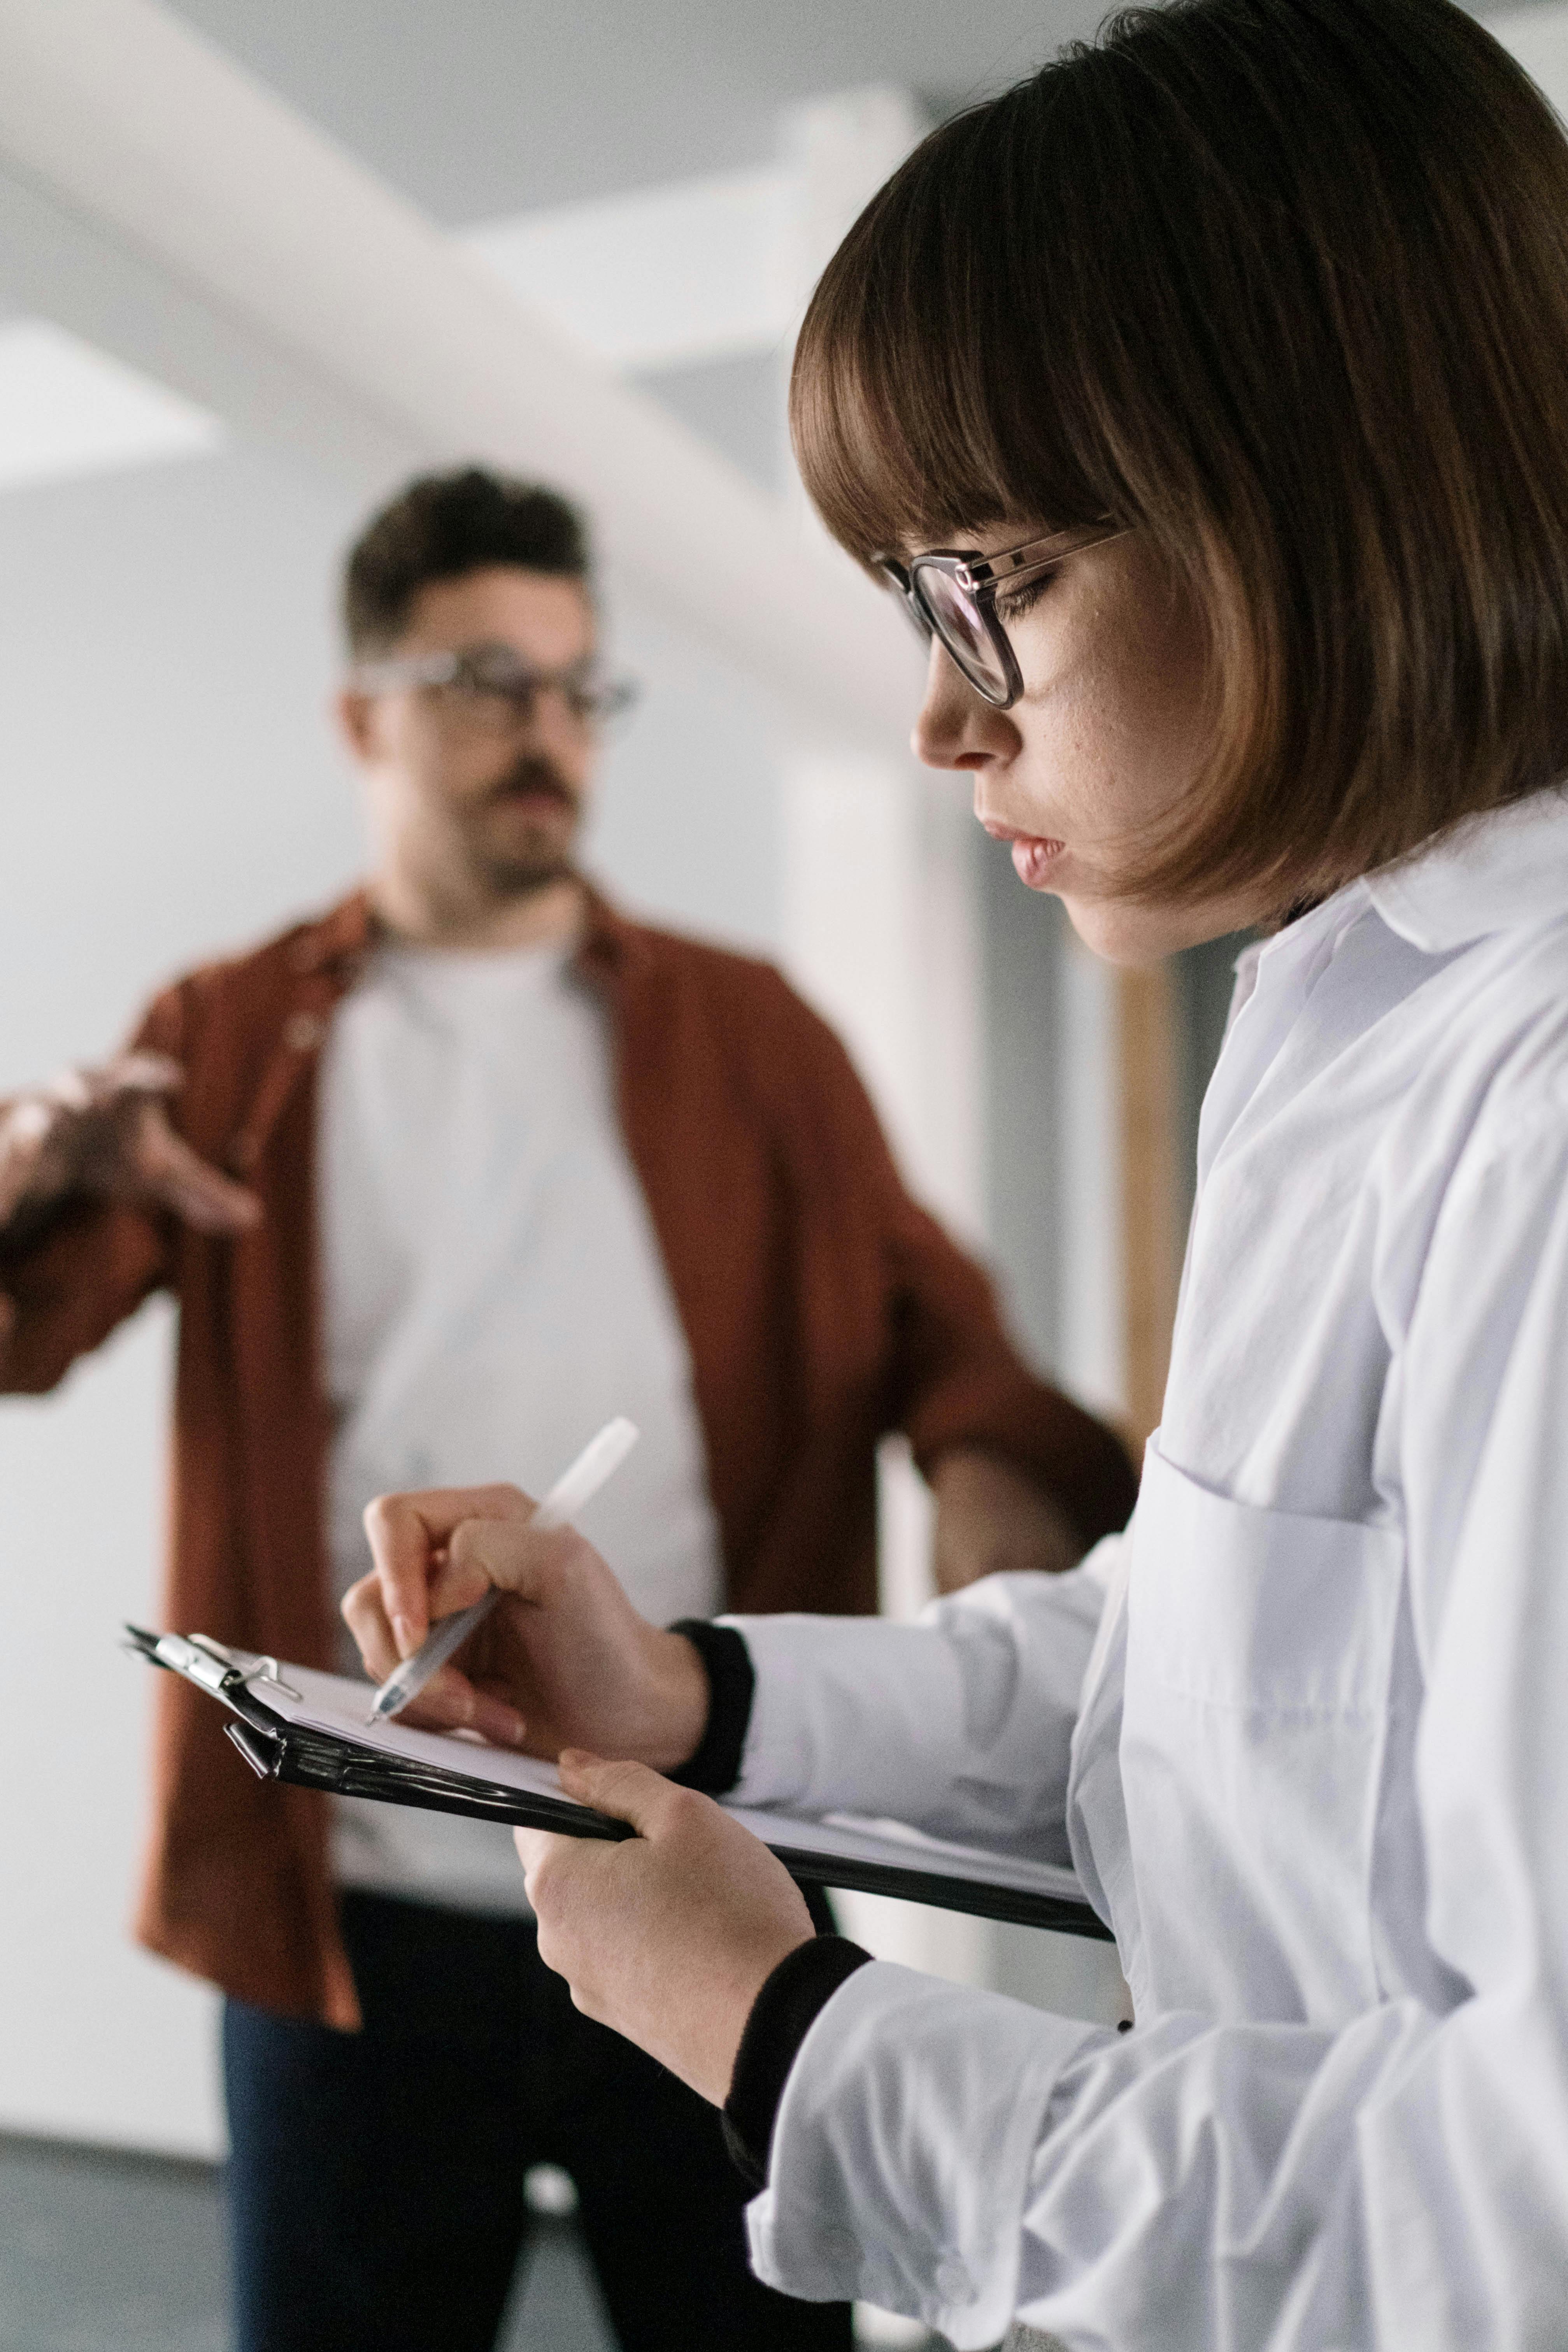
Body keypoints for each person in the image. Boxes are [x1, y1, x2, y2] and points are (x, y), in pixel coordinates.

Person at [342, 0, 1568, 2343]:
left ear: (1315, 497)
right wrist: (700, 1693)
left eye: (985, 577)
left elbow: (1528, 2220)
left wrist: (797, 2043)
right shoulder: (1338, 1014)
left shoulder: (1535, 1110)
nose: (936, 710)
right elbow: (1226, 1672)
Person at [0, 466, 1136, 2352]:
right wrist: (38, 1159)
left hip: (693, 1854)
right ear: (365, 716)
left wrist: (988, 1504)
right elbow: (22, 1336)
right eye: (482, 679)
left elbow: (959, 1351)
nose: (545, 731)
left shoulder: (750, 1032)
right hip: (351, 1904)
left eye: (574, 688)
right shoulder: (224, 1033)